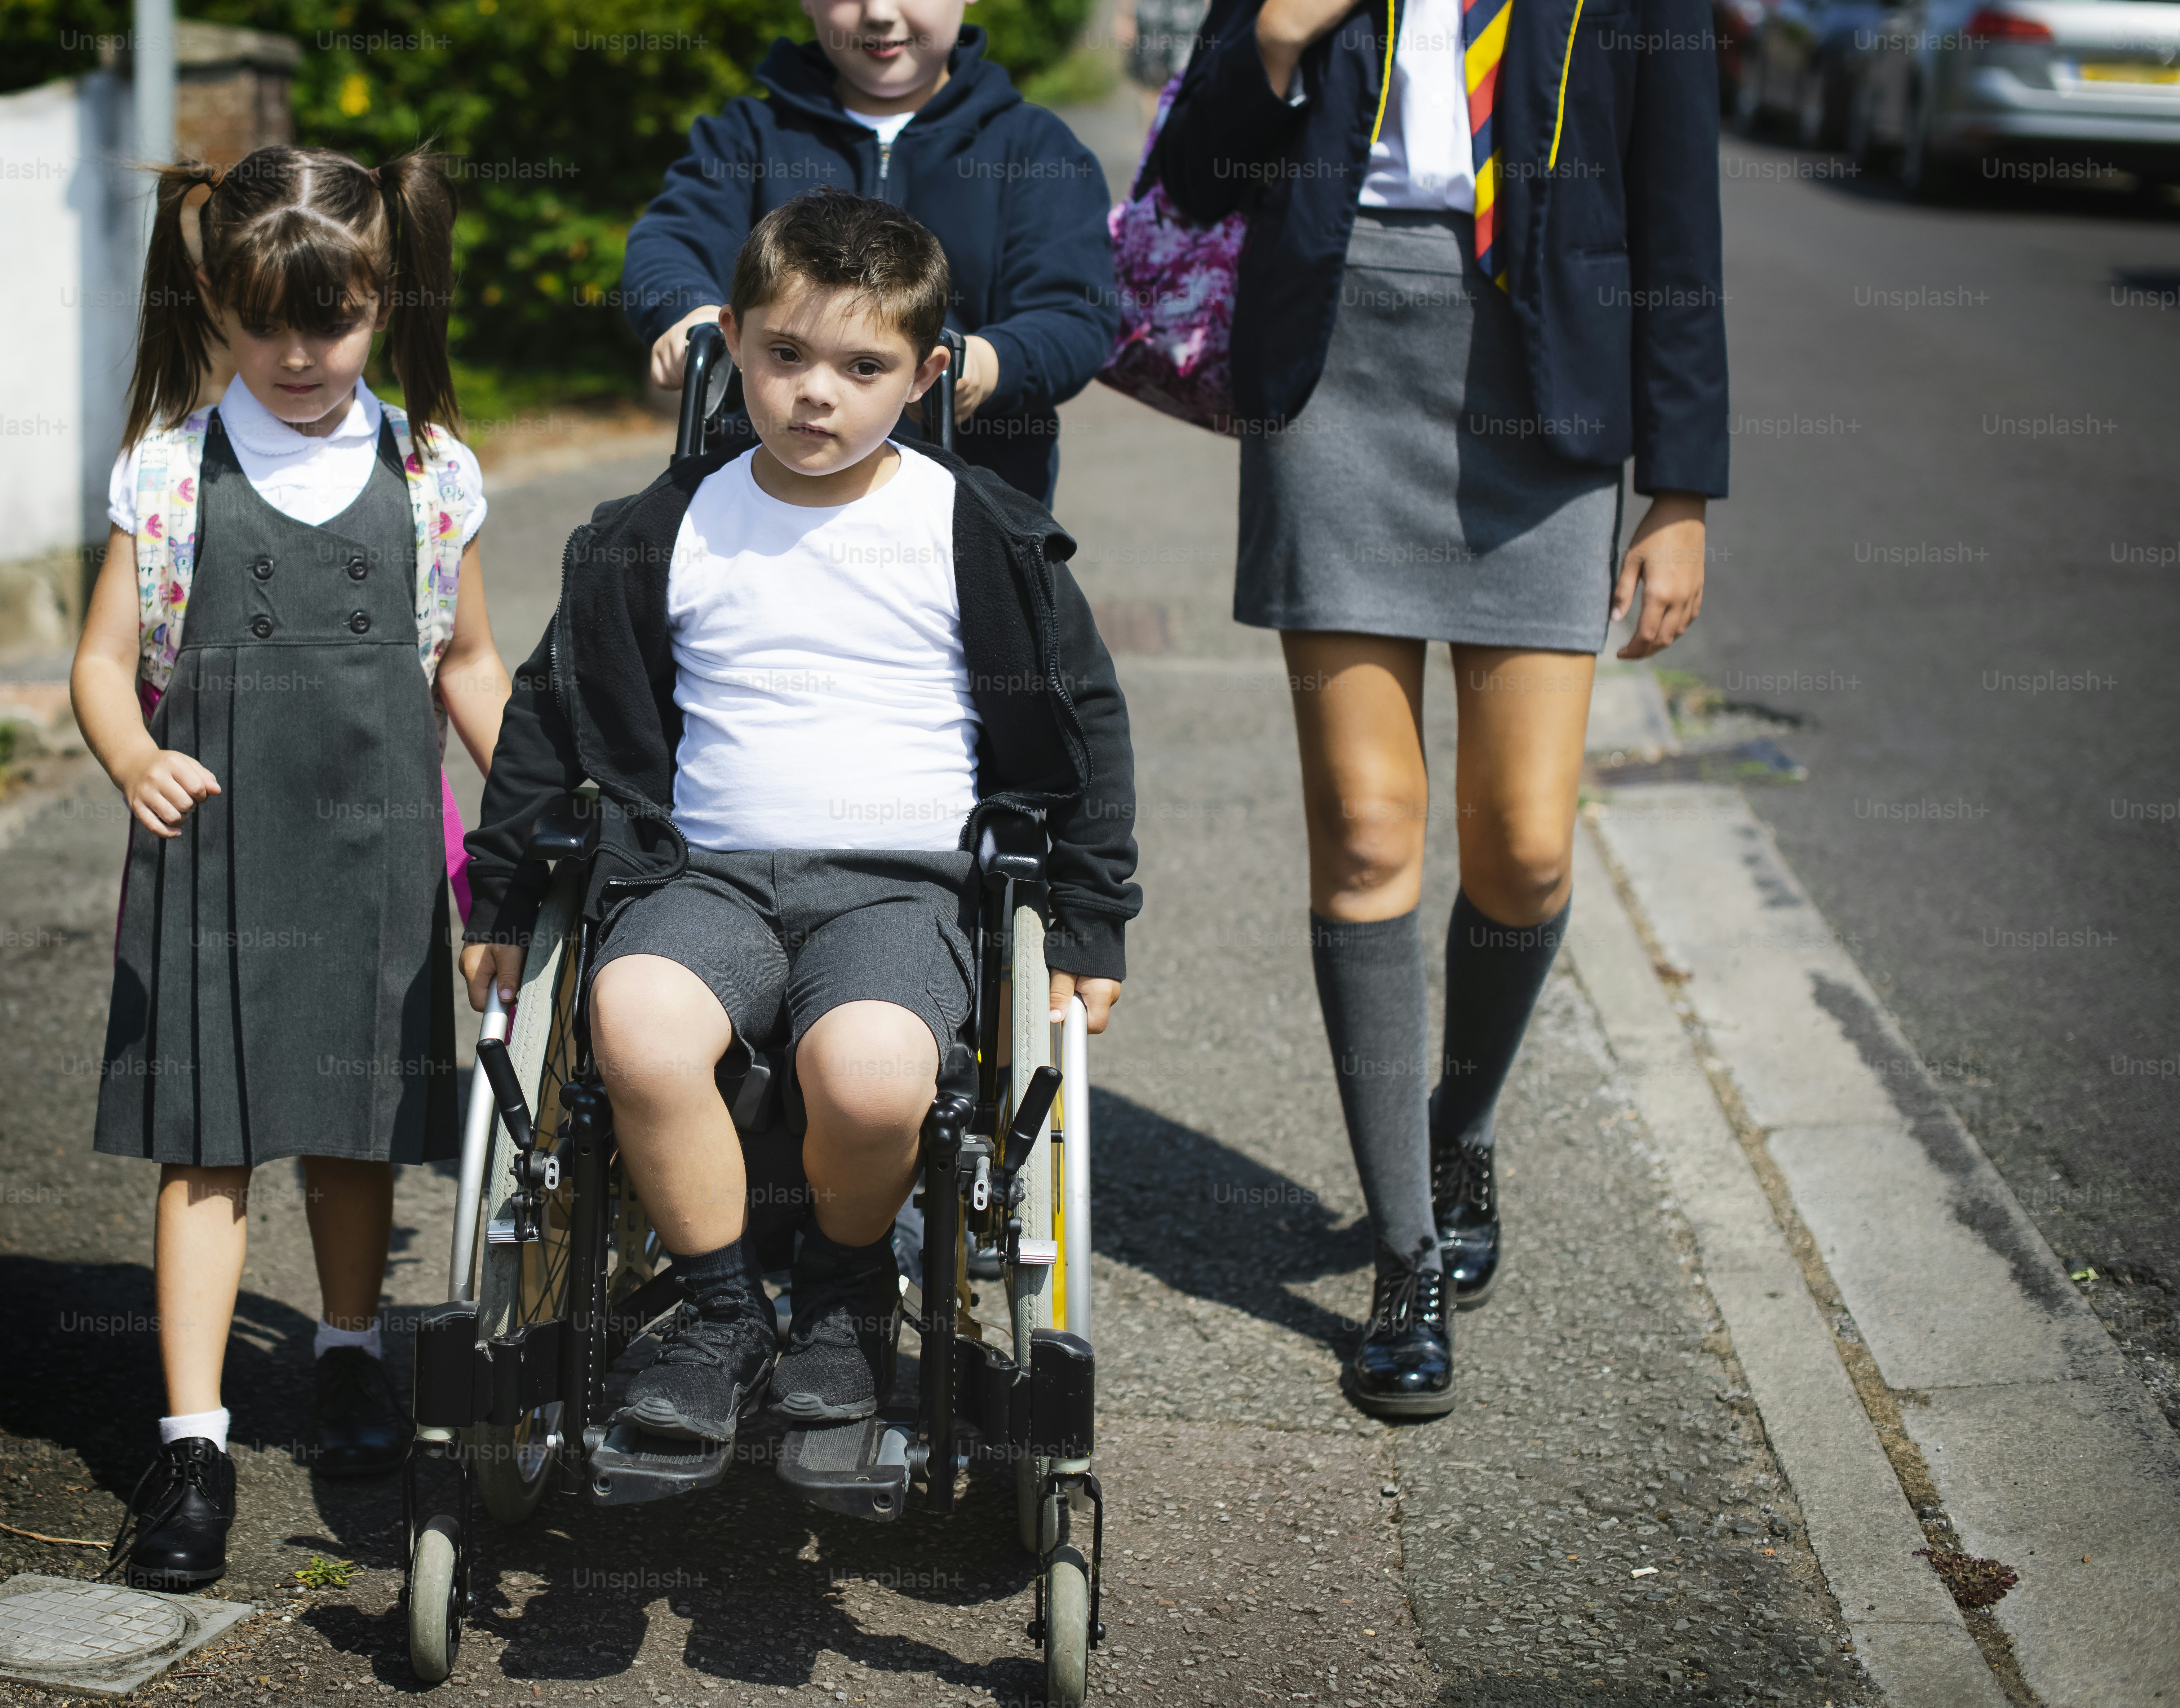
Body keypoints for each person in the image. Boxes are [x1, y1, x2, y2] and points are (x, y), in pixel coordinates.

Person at [461, 191, 1138, 1446]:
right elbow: (550, 712)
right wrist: (501, 899)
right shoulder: (661, 529)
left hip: (901, 886)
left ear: (926, 376)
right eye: (784, 354)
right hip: (704, 875)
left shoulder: (975, 531)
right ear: (730, 344)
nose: (815, 392)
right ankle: (723, 1311)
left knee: (873, 1077)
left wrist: (1089, 919)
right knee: (635, 1026)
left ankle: (841, 1291)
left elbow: (1083, 720)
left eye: (862, 367)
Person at [1150, 0, 1727, 1415]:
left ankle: (1457, 1123)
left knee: (1524, 840)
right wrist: (1273, 41)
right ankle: (1404, 1256)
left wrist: (1682, 490)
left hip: (1543, 380)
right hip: (1332, 371)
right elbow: (1196, 178)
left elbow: (1677, 215)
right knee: (1365, 827)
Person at [71, 146, 511, 1584]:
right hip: (212, 856)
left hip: (378, 854)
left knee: (353, 1125)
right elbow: (102, 663)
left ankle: (346, 1350)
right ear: (216, 301)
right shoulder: (166, 471)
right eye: (267, 323)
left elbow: (469, 660)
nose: (301, 355)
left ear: (384, 299)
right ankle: (191, 1440)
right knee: (205, 1142)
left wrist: (536, 798)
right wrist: (131, 755)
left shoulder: (432, 472)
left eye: (335, 321)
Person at [620, 0, 1118, 505]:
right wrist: (687, 311)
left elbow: (1074, 311)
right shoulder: (746, 136)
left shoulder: (1035, 149)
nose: (879, 12)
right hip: (759, 499)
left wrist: (991, 364)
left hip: (967, 504)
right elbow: (671, 239)